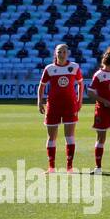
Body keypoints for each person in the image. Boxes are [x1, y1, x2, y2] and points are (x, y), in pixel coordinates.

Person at [38, 42, 82, 173]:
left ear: (67, 53)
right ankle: (51, 167)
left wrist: (79, 100)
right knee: (51, 137)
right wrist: (39, 101)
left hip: (70, 105)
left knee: (70, 136)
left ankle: (69, 166)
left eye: (64, 52)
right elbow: (41, 86)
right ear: (55, 54)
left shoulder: (74, 67)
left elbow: (80, 84)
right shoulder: (49, 68)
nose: (61, 54)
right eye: (59, 52)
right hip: (53, 106)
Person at [88, 46, 110, 174]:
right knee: (101, 138)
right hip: (102, 110)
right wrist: (104, 101)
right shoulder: (99, 75)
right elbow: (90, 92)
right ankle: (98, 167)